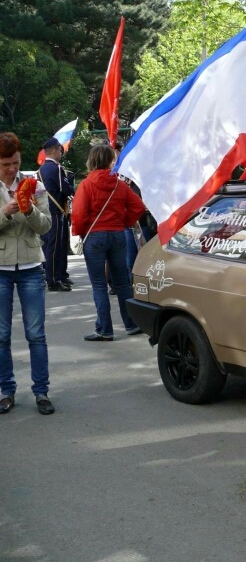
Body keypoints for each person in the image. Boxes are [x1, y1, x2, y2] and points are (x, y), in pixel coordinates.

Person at [0, 132, 55, 415]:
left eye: (16, 162)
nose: (12, 169)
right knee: (1, 335)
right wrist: (6, 212)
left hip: (32, 266)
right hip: (1, 269)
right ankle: (6, 391)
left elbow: (45, 226)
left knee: (36, 334)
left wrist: (29, 208)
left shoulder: (33, 183)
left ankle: (41, 391)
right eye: (6, 163)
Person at [71, 144, 146, 341]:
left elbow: (78, 214)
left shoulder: (86, 185)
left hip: (94, 236)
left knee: (98, 285)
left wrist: (79, 232)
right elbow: (138, 206)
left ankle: (104, 329)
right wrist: (124, 221)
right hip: (117, 233)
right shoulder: (119, 184)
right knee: (122, 282)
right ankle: (131, 323)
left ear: (91, 160)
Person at [38, 137, 75, 291]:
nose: (61, 153)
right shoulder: (56, 168)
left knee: (48, 245)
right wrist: (70, 184)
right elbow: (66, 190)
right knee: (55, 247)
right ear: (54, 150)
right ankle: (54, 280)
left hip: (46, 212)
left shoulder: (40, 170)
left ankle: (55, 276)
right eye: (60, 150)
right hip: (56, 212)